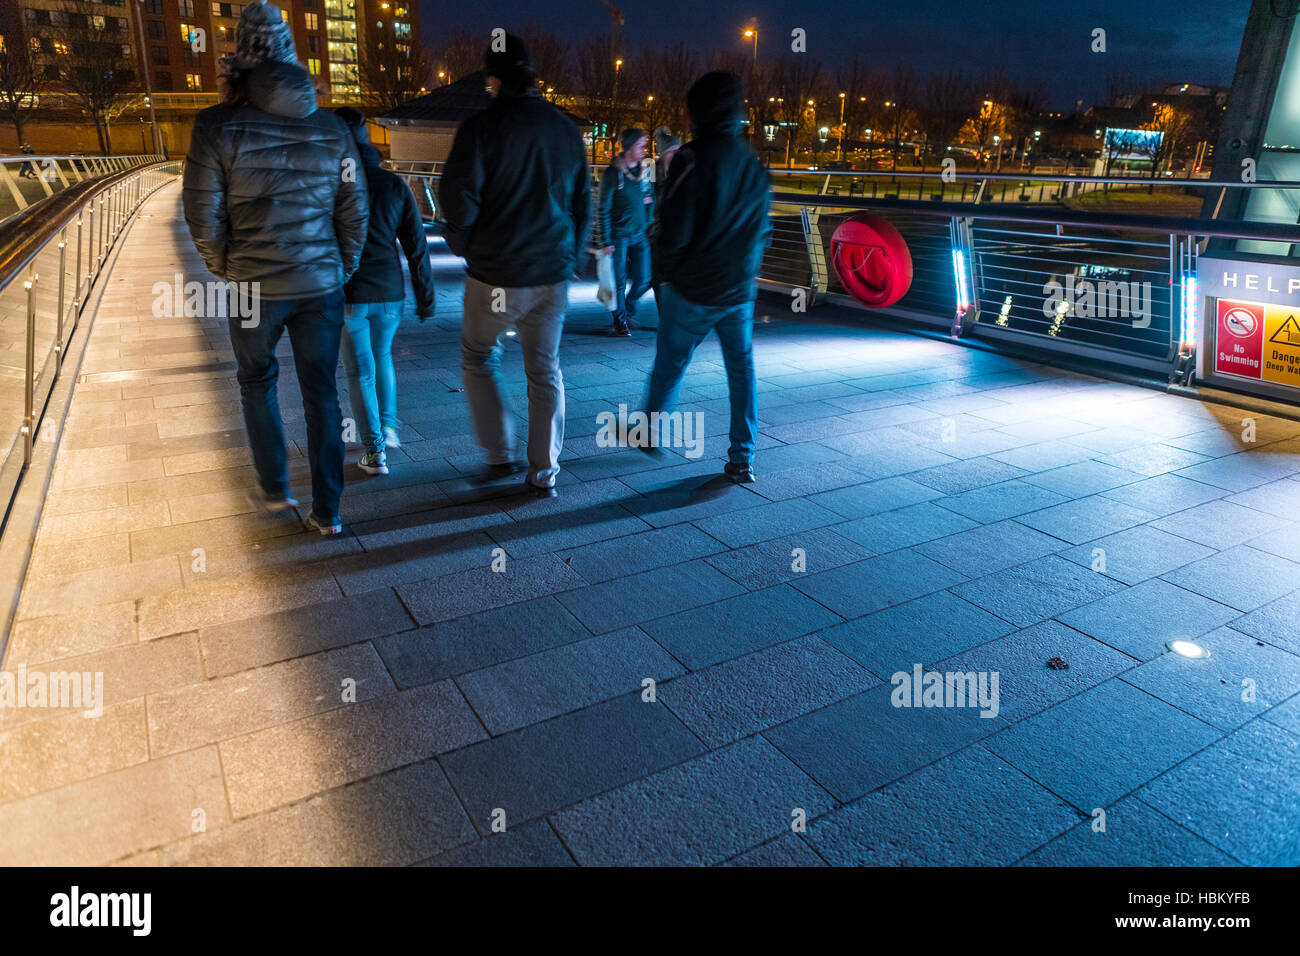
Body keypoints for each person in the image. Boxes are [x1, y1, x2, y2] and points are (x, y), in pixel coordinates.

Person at [183, 0, 368, 535]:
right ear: (292, 60)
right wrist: (339, 267)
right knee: (321, 392)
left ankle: (275, 487)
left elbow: (202, 212)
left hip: (251, 285)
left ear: (239, 63)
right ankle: (329, 511)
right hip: (320, 284)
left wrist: (227, 268)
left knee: (256, 379)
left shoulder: (215, 126)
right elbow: (354, 211)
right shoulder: (334, 130)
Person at [439, 33, 589, 499]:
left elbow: (457, 198)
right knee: (545, 370)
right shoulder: (565, 130)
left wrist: (463, 242)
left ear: (493, 78)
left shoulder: (481, 128)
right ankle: (544, 471)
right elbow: (583, 201)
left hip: (497, 274)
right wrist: (573, 255)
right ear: (532, 77)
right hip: (552, 273)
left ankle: (498, 452)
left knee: (479, 355)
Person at [642, 71, 772, 483]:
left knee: (672, 360)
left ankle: (651, 428)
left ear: (697, 110)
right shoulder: (753, 164)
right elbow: (762, 230)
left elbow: (673, 229)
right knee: (741, 369)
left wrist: (666, 272)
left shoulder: (691, 158)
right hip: (738, 289)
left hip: (693, 288)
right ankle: (742, 457)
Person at [334, 107, 436, 477]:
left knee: (359, 371)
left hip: (350, 295)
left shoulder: (333, 183)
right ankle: (389, 429)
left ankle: (375, 452)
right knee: (383, 357)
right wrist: (426, 297)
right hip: (391, 293)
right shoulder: (393, 184)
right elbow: (416, 246)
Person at [594, 128, 654, 336]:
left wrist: (648, 215)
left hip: (639, 234)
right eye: (641, 145)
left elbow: (650, 198)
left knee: (644, 277)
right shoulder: (613, 174)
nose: (644, 149)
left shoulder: (645, 171)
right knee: (619, 281)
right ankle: (620, 322)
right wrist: (605, 240)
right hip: (618, 237)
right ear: (629, 147)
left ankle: (626, 310)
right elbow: (603, 208)